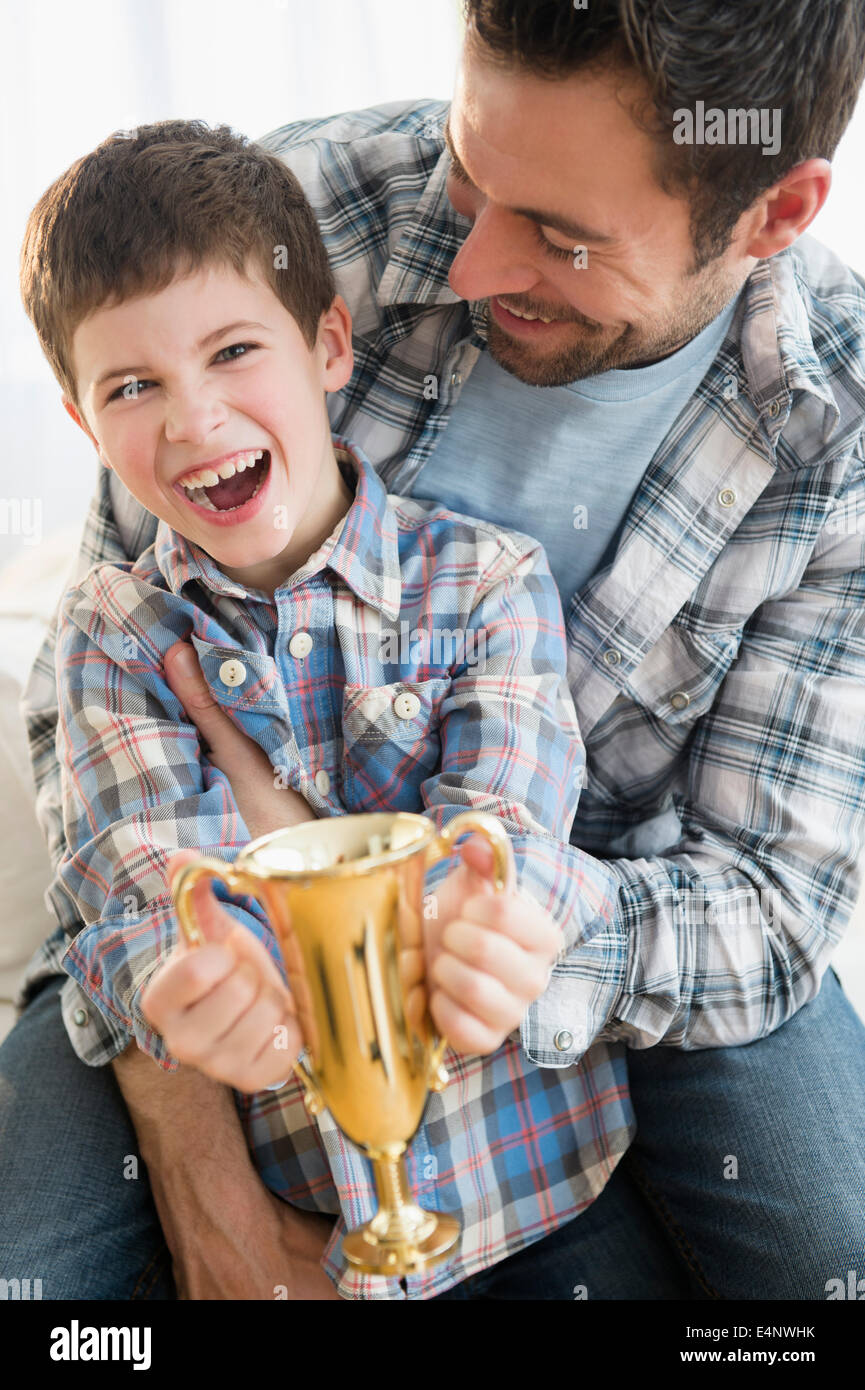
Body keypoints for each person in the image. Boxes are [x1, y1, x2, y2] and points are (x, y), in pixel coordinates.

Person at [3, 0, 865, 1301]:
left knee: (826, 1273)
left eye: (560, 238)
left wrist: (468, 900)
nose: (467, 265)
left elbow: (765, 904)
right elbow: (104, 748)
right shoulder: (275, 219)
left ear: (771, 216)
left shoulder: (841, 427)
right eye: (470, 181)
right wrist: (209, 1192)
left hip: (612, 910)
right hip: (216, 907)